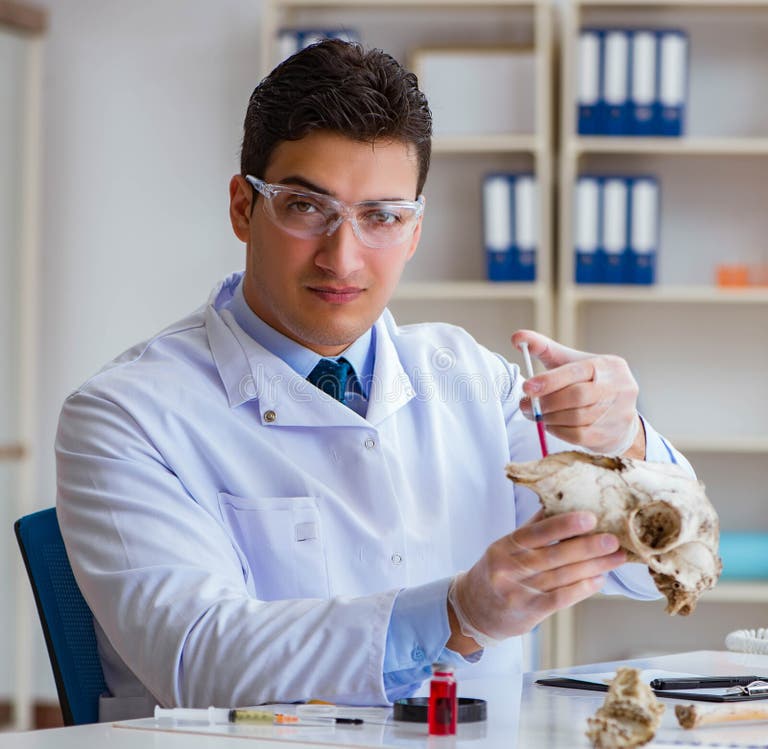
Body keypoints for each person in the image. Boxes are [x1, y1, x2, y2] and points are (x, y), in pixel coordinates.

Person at [56, 40, 692, 721]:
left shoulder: (471, 377)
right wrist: (453, 614)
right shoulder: (125, 413)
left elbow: (662, 566)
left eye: (381, 217)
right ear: (243, 207)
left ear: (413, 231)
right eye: (306, 207)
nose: (343, 257)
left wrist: (624, 440)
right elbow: (194, 659)